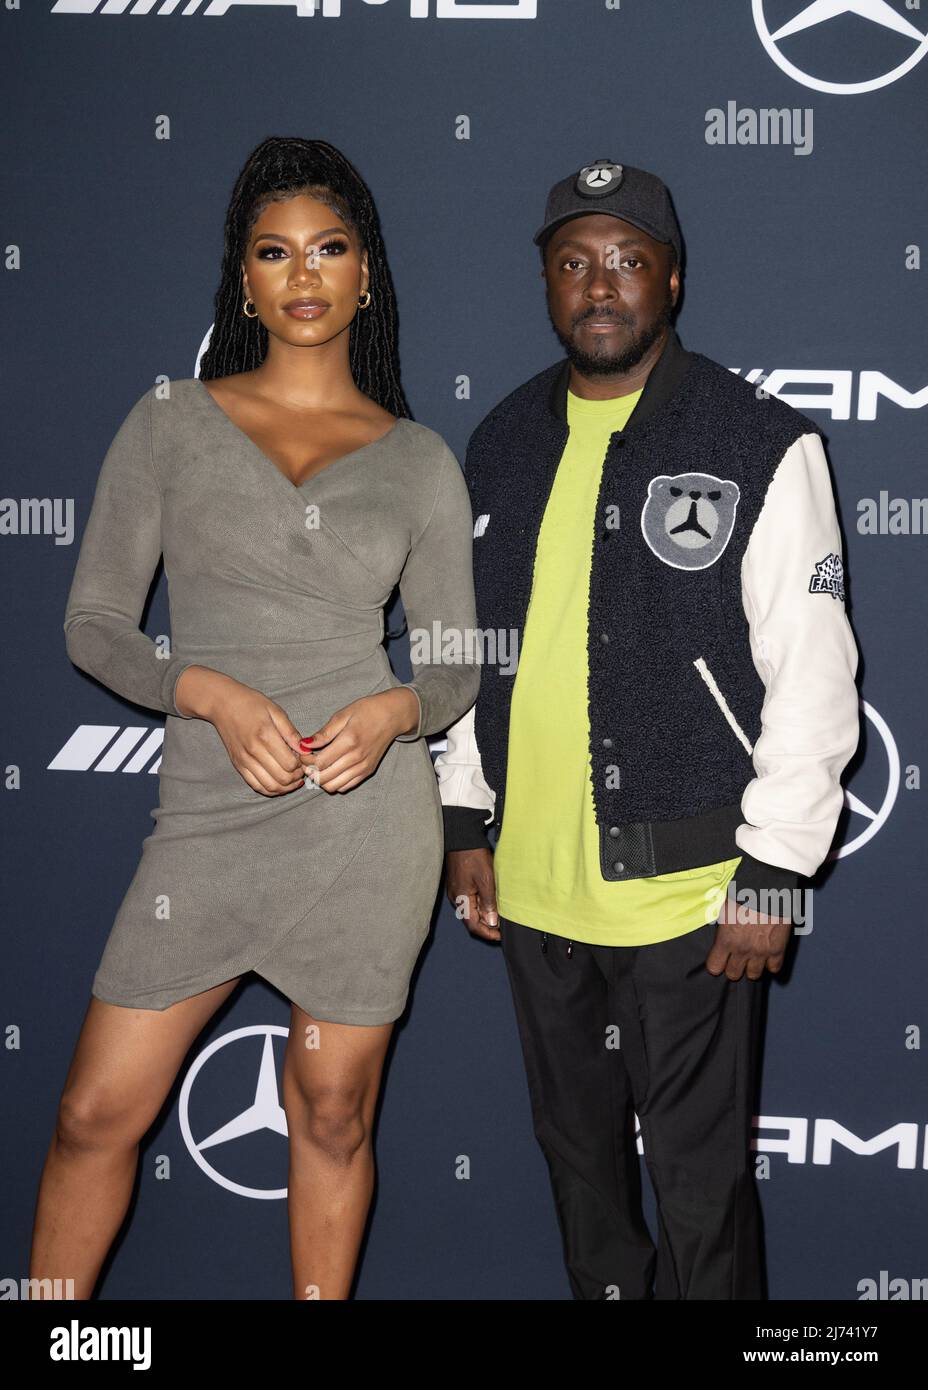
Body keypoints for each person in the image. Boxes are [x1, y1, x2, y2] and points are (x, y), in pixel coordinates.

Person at [30, 136, 479, 1301]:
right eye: (273, 252)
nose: (304, 273)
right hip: (207, 831)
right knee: (91, 1112)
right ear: (244, 279)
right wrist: (210, 691)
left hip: (361, 830)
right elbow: (94, 625)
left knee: (329, 1115)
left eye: (329, 248)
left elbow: (451, 668)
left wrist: (392, 711)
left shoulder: (420, 460)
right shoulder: (172, 421)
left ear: (366, 273)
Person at [436, 158, 859, 1300]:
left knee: (700, 1195)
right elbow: (478, 649)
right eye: (572, 264)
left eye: (625, 261)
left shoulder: (759, 438)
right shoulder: (503, 439)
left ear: (671, 279)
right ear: (544, 284)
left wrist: (773, 876)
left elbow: (814, 675)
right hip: (533, 893)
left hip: (696, 897)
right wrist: (463, 817)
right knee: (584, 1192)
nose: (598, 287)